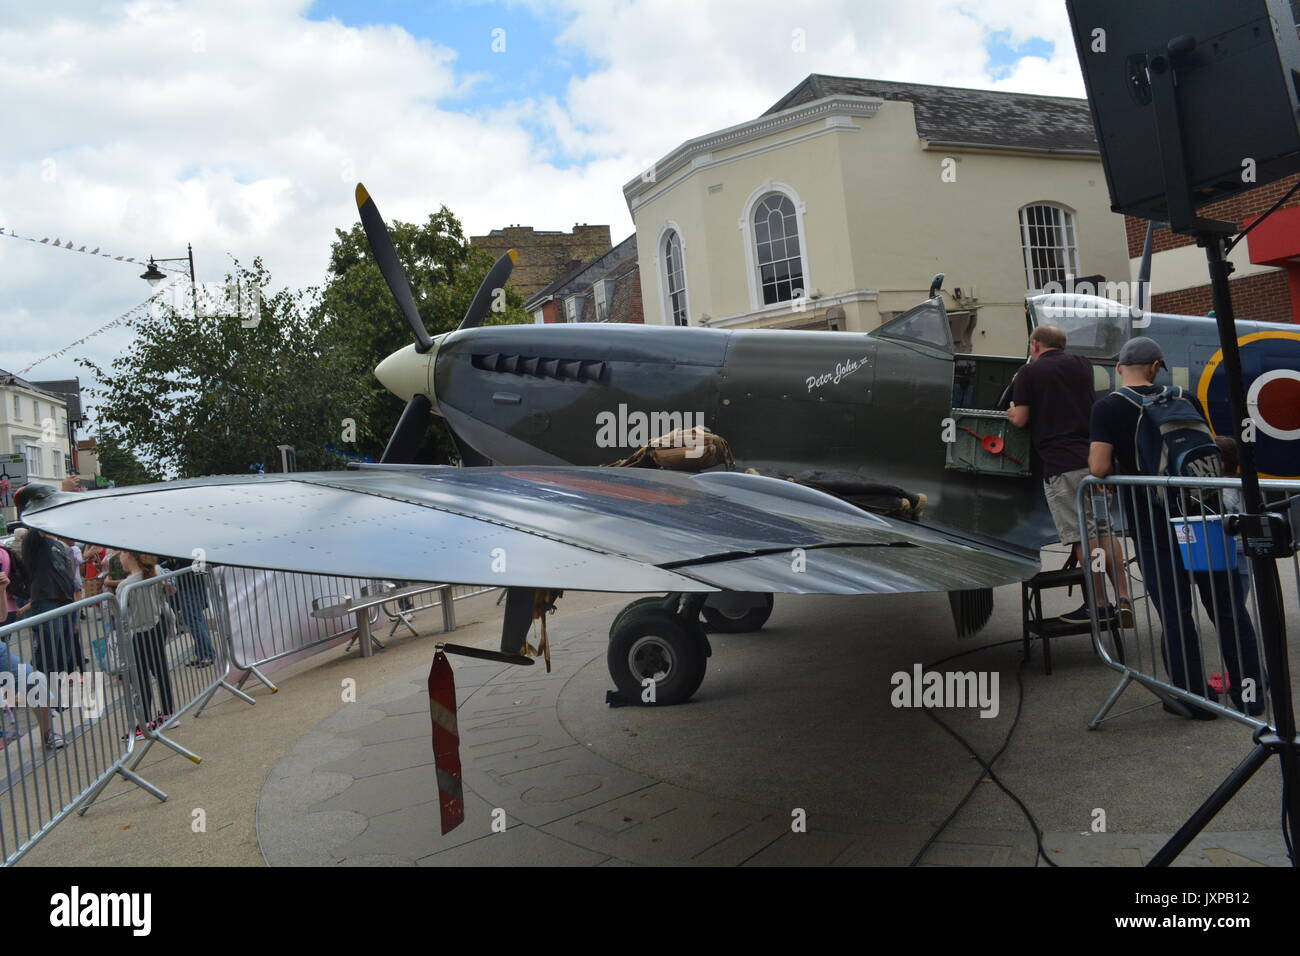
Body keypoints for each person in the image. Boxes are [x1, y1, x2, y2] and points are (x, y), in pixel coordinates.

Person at [1089, 337, 1264, 719]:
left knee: (1174, 610)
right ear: (1156, 366)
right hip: (1203, 517)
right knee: (1227, 607)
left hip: (1153, 523)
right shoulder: (1183, 396)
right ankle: (1252, 694)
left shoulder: (1108, 407)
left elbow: (1099, 467)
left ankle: (1193, 699)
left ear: (1120, 368)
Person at [1009, 324, 1133, 625]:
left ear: (1035, 345)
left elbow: (1022, 418)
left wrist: (1012, 410)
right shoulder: (1082, 365)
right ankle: (1125, 599)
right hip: (1095, 460)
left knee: (1082, 535)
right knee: (1105, 531)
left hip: (1061, 465)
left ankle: (1099, 604)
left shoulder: (1029, 373)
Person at [119, 551, 177, 735]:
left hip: (138, 633)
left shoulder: (126, 585)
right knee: (160, 671)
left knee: (141, 678)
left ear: (129, 556)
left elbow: (120, 614)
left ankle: (145, 723)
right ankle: (169, 714)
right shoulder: (157, 571)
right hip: (157, 626)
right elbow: (169, 591)